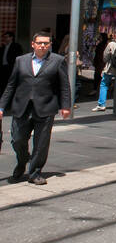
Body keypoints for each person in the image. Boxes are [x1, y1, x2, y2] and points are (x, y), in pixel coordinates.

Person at [0, 29, 71, 184]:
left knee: (41, 143)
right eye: (40, 43)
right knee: (17, 140)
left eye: (46, 43)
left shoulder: (57, 61)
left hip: (45, 108)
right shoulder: (21, 60)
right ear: (33, 44)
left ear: (50, 44)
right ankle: (22, 161)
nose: (43, 46)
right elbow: (11, 85)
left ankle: (35, 172)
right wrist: (1, 107)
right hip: (22, 107)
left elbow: (64, 86)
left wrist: (66, 106)